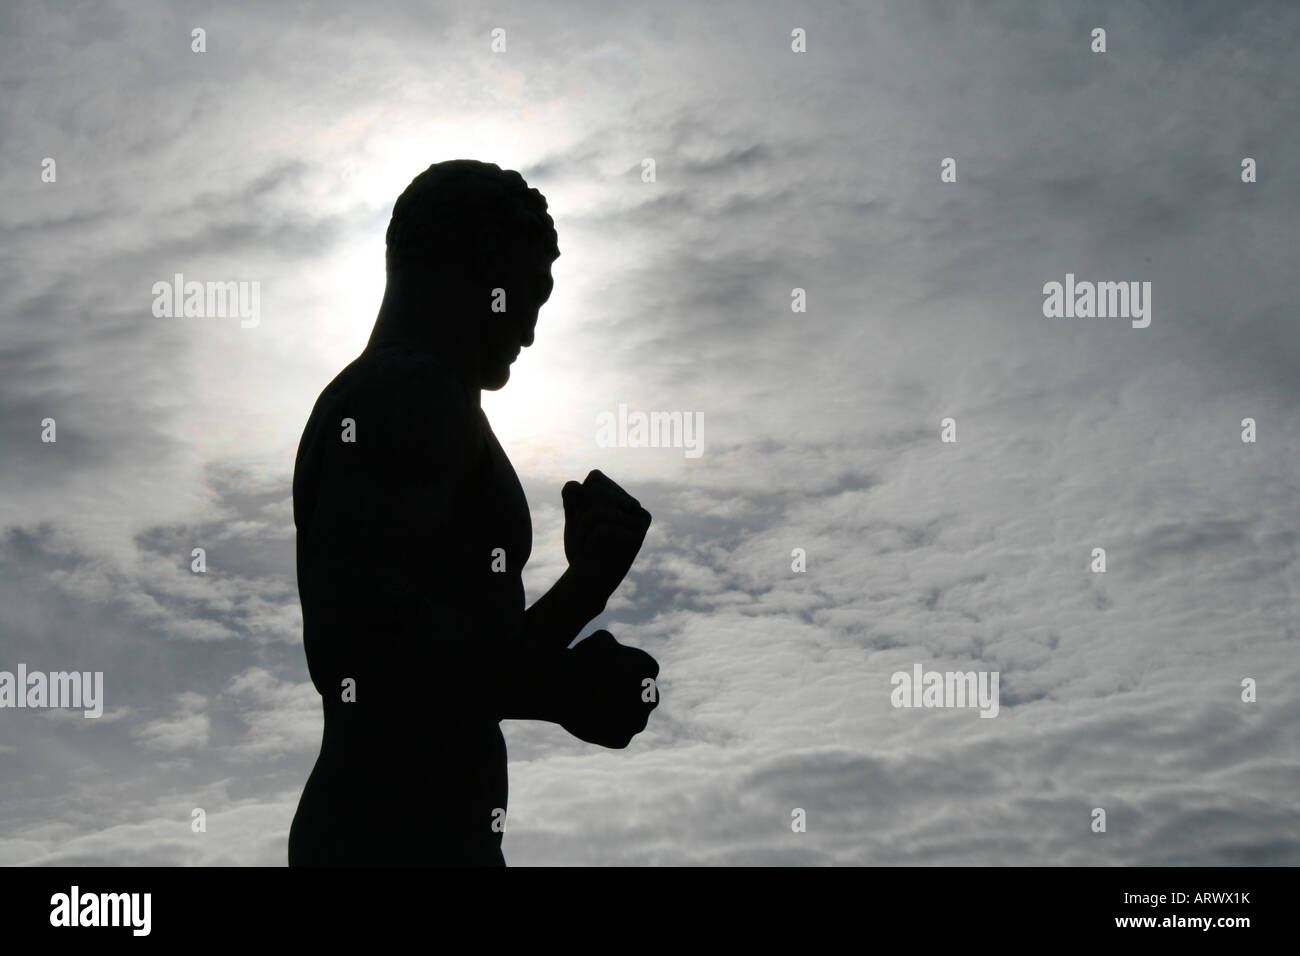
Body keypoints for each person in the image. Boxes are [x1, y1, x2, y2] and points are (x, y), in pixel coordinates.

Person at [288, 160, 660, 866]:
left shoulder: (431, 402)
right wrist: (566, 690)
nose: (528, 329)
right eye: (522, 295)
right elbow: (363, 651)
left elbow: (463, 658)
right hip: (386, 838)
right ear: (460, 268)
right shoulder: (404, 392)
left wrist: (587, 583)